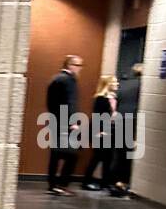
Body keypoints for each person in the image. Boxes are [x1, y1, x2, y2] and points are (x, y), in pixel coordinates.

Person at [45, 54, 83, 196]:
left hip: (55, 120)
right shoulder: (69, 80)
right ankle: (62, 184)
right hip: (66, 122)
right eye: (79, 66)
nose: (80, 69)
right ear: (70, 65)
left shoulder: (55, 79)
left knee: (55, 154)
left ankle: (53, 184)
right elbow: (70, 102)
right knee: (72, 155)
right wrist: (73, 122)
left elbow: (50, 103)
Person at [108, 62, 142, 197]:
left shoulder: (122, 84)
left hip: (120, 121)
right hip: (132, 121)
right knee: (130, 156)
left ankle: (114, 183)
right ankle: (124, 183)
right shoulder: (143, 86)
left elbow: (116, 102)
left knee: (118, 154)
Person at [82, 75, 119, 191]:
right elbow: (97, 116)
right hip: (101, 131)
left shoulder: (113, 98)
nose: (117, 84)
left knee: (108, 158)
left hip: (110, 130)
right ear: (108, 84)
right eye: (114, 82)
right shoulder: (101, 98)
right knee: (97, 157)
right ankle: (86, 181)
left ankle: (105, 182)